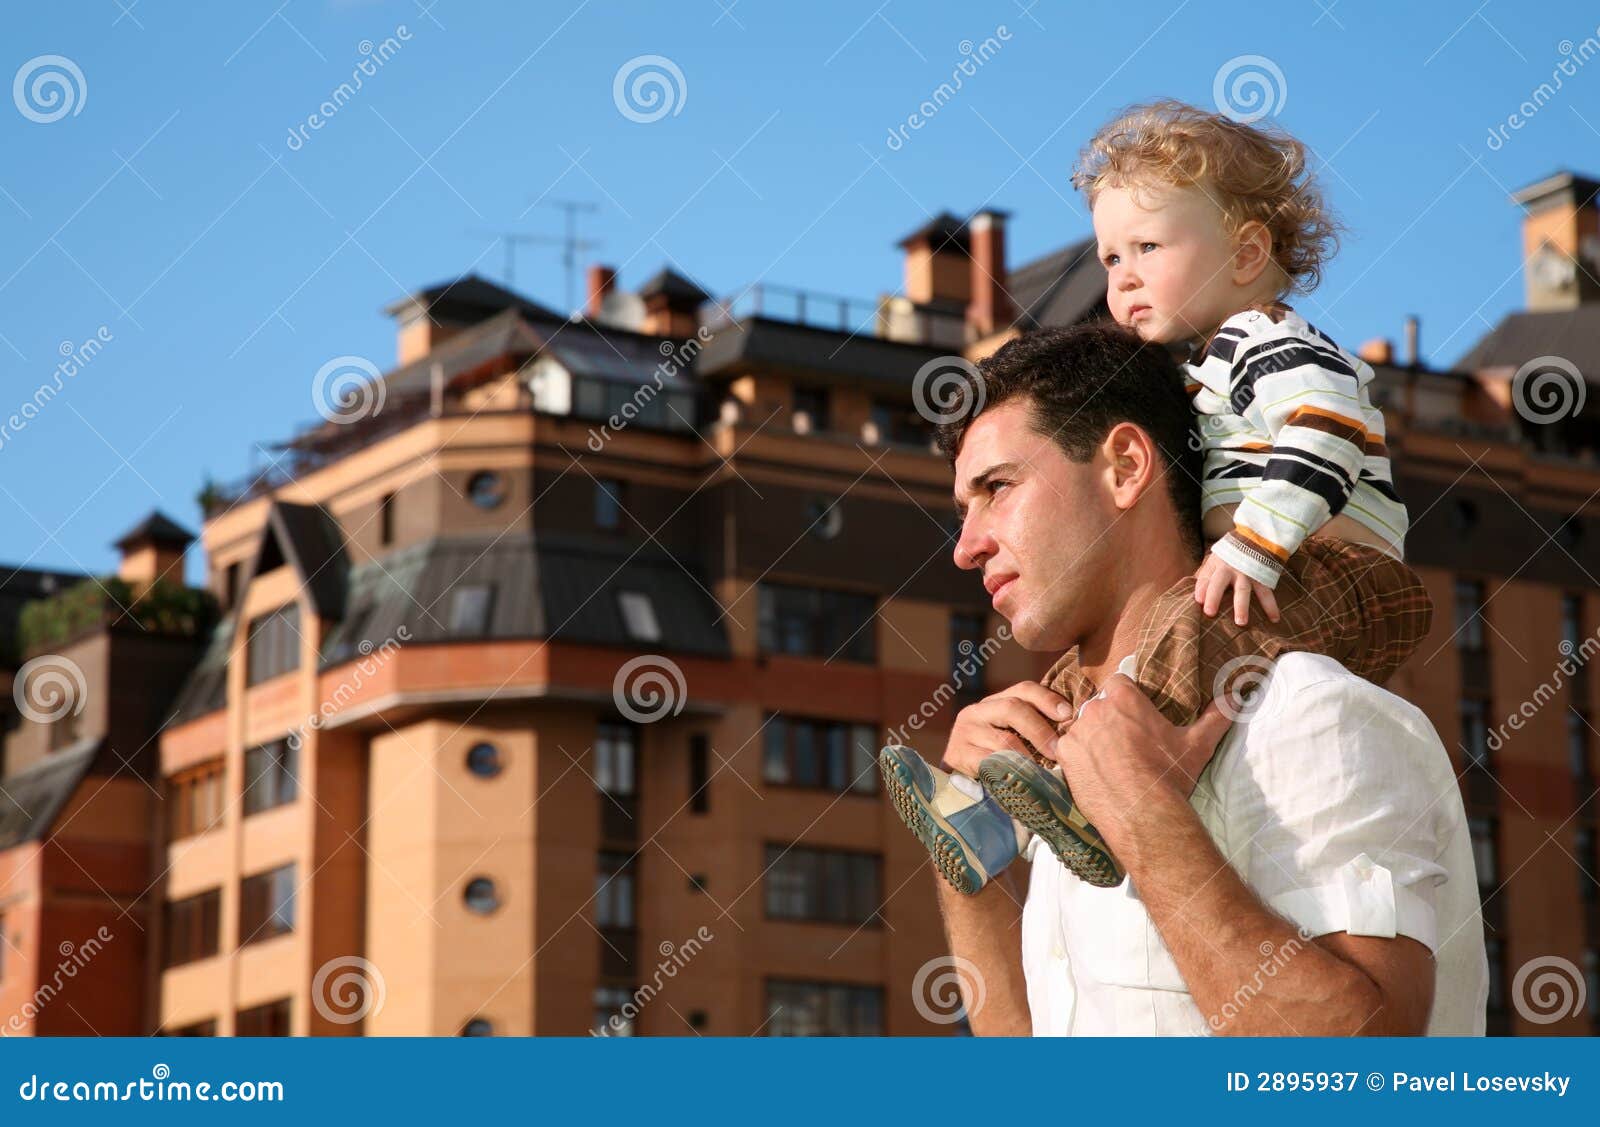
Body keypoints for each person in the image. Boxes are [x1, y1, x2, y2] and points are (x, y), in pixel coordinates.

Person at [882, 98, 1430, 889]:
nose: (1124, 274)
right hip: (1282, 563)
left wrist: (1252, 544)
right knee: (1072, 686)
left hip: (1340, 570)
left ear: (1245, 253)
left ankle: (1136, 781)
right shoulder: (1208, 371)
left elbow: (1329, 429)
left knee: (1190, 625)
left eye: (1146, 246)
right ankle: (992, 819)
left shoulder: (1271, 340)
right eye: (1110, 259)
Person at [893, 321, 1487, 1035]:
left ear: (1125, 466)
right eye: (964, 510)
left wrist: (1145, 815)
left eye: (998, 488)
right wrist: (971, 859)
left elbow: (1358, 1074)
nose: (965, 546)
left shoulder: (1311, 713)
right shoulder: (1067, 772)